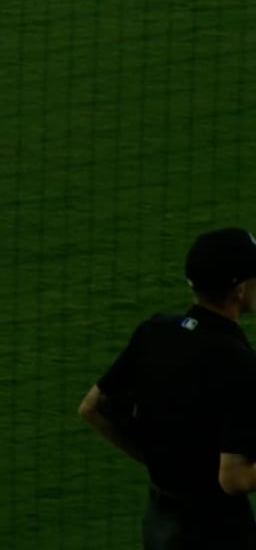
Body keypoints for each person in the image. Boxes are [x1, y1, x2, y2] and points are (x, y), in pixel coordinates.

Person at [80, 227, 256, 548]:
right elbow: (235, 478)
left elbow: (93, 408)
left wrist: (161, 461)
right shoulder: (238, 361)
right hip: (215, 532)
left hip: (160, 522)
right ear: (240, 290)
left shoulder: (155, 331)